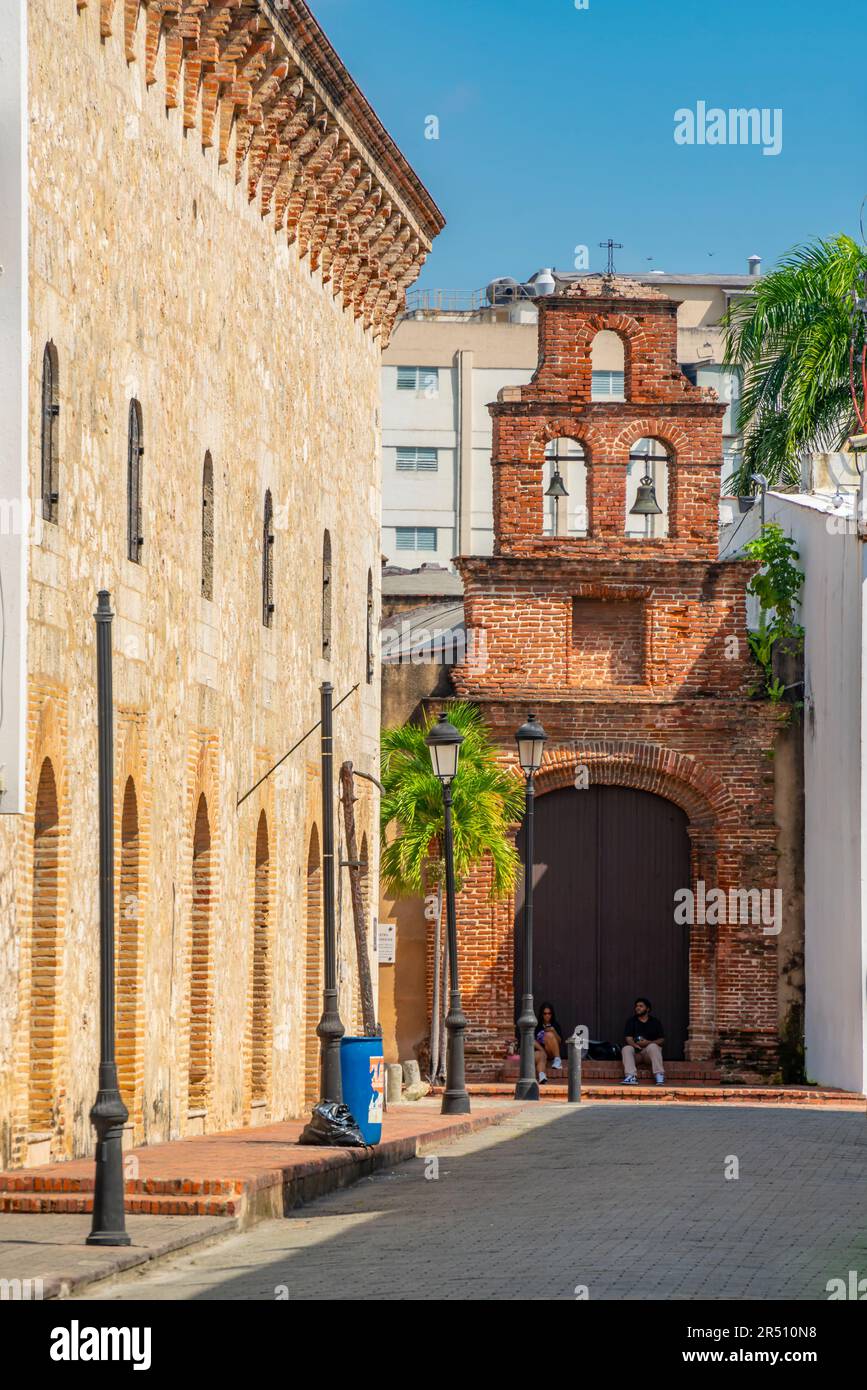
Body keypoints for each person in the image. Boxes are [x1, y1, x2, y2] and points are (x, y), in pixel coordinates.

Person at [622, 997, 665, 1085]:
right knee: (626, 1048)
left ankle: (659, 1075)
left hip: (649, 1055)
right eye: (637, 1006)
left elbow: (661, 1040)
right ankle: (631, 1076)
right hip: (637, 1054)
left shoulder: (655, 1022)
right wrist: (635, 1045)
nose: (638, 1008)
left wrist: (647, 1043)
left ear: (647, 1009)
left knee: (653, 1046)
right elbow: (628, 1038)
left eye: (641, 1006)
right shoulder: (631, 1021)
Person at [534, 1002, 564, 1084]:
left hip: (551, 1051)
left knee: (549, 1035)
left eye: (549, 1013)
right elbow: (532, 1041)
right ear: (541, 1014)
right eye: (545, 1013)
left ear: (552, 1014)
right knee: (541, 1055)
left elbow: (559, 1041)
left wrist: (554, 1031)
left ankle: (557, 1060)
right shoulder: (537, 1026)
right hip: (541, 1052)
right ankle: (542, 1076)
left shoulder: (555, 1025)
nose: (547, 1015)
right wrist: (542, 1050)